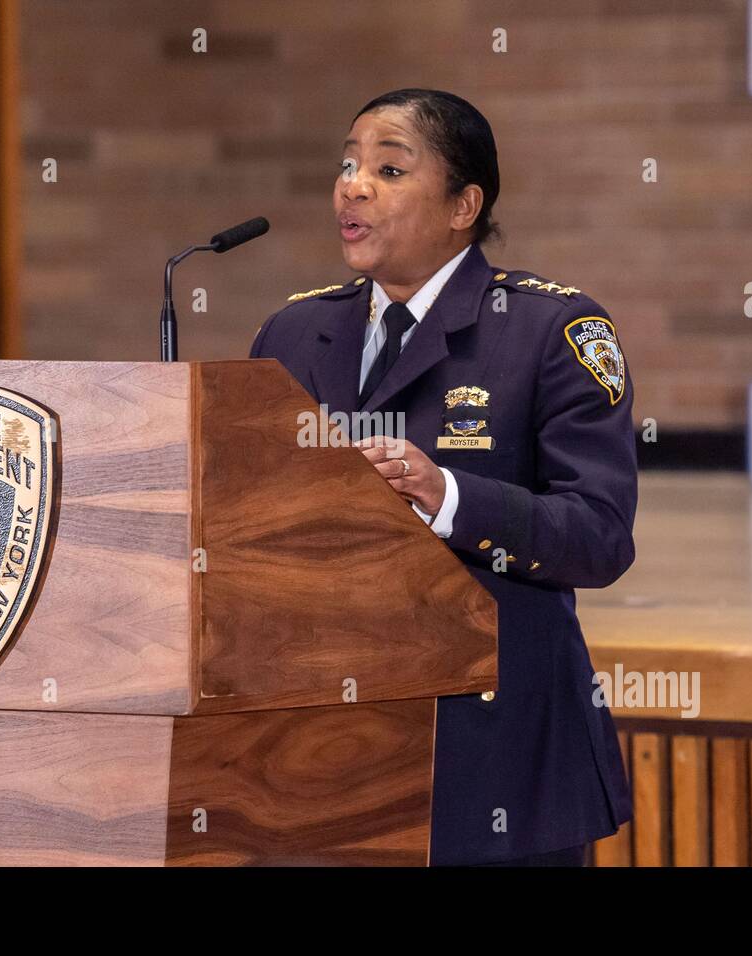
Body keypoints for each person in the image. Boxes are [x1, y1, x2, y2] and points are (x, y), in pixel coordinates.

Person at [249, 88, 637, 867]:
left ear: (465, 205)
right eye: (349, 165)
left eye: (389, 169)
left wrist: (447, 497)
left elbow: (598, 538)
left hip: (494, 752)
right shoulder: (294, 333)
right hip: (321, 751)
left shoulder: (550, 330)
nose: (353, 186)